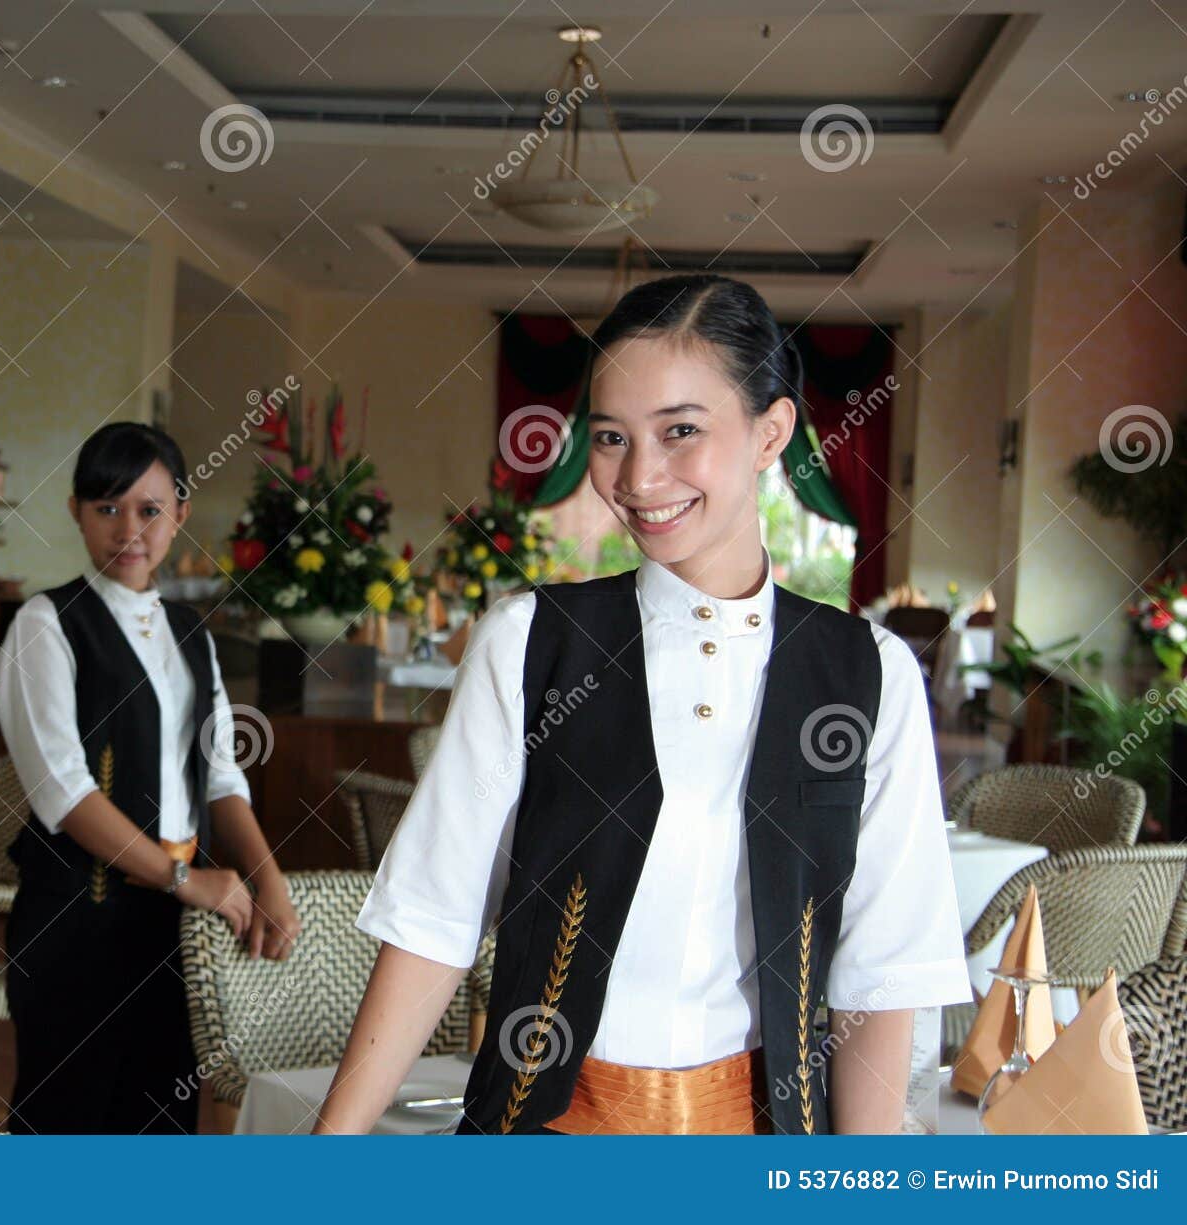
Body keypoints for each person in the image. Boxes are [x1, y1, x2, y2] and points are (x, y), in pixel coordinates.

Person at [314, 274, 971, 1135]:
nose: (639, 475)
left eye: (682, 431)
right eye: (613, 436)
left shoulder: (867, 671)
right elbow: (433, 922)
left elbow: (882, 979)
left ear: (772, 431)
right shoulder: (528, 643)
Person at [0, 422, 301, 1135]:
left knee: (159, 1121)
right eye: (107, 508)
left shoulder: (192, 630)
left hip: (172, 931)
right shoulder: (46, 624)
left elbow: (221, 776)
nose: (128, 529)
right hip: (74, 921)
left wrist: (269, 879)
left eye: (149, 509)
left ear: (181, 513)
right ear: (76, 511)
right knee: (64, 1124)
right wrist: (187, 879)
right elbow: (64, 791)